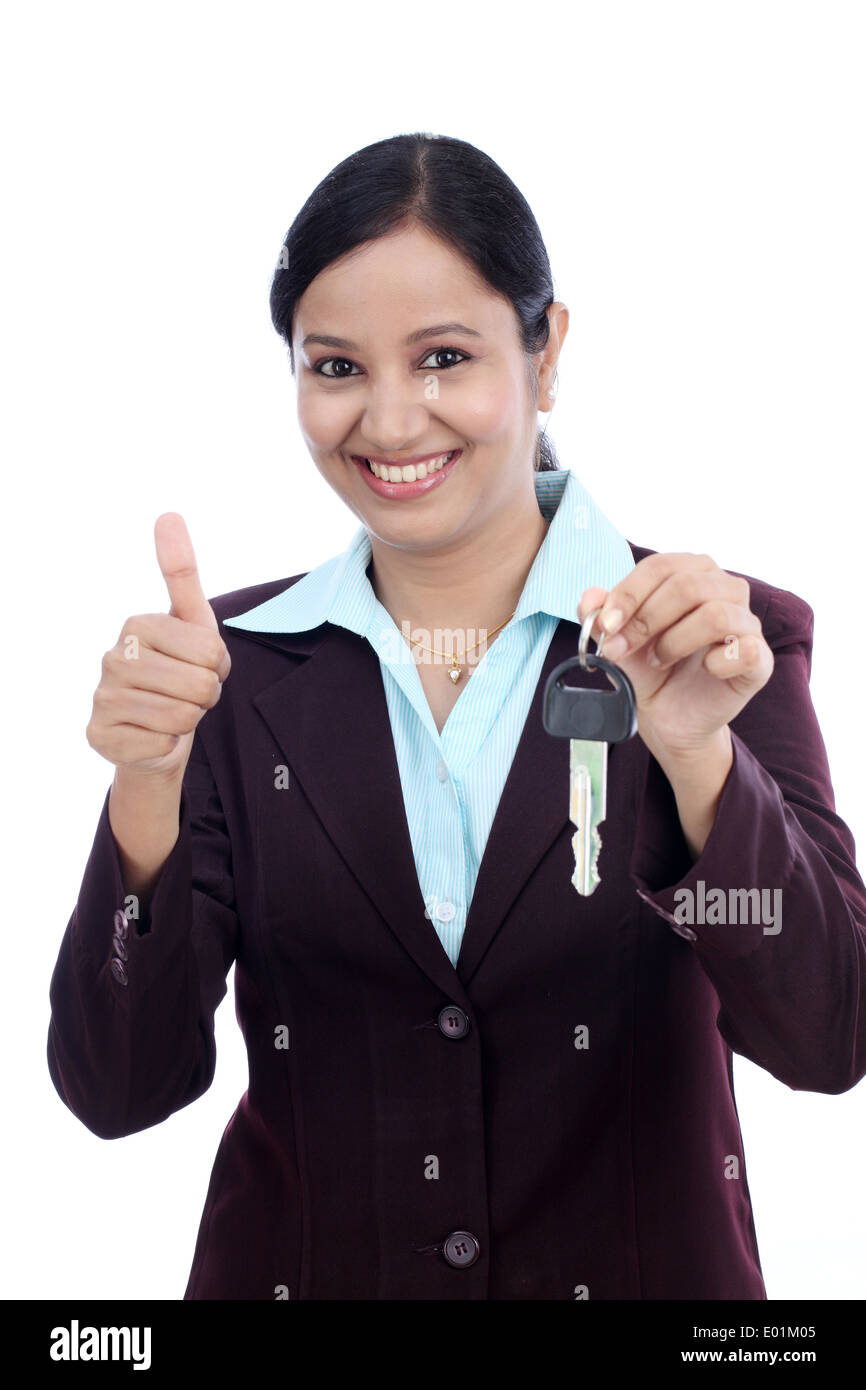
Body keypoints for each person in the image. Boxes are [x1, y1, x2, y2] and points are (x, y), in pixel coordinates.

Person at [47, 132, 866, 1300]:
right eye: (335, 367)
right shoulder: (223, 674)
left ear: (548, 348)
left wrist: (696, 758)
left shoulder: (716, 639)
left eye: (442, 357)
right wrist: (142, 797)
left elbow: (830, 1038)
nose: (388, 422)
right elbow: (117, 1091)